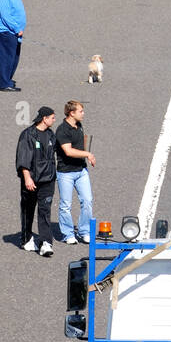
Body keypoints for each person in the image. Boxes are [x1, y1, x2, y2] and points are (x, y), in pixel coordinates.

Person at [15, 107, 57, 256]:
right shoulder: (28, 135)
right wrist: (27, 177)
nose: (54, 120)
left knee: (45, 210)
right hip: (32, 180)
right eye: (52, 117)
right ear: (44, 118)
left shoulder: (51, 135)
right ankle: (26, 239)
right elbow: (23, 158)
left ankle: (46, 242)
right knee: (28, 210)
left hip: (48, 180)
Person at [55, 100, 96, 245]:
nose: (83, 114)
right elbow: (68, 151)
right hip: (66, 173)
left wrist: (85, 155)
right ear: (71, 113)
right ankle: (68, 234)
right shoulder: (62, 130)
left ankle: (84, 232)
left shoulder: (78, 125)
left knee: (87, 201)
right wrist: (87, 154)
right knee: (66, 204)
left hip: (81, 171)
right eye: (81, 111)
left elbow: (80, 142)